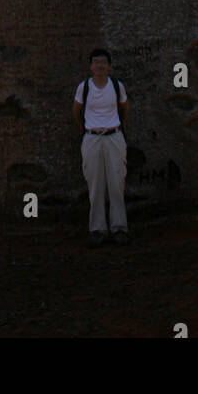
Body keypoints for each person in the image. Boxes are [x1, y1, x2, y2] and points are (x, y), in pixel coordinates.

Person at [73, 48, 129, 247]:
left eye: (103, 62)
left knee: (117, 182)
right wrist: (87, 130)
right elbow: (76, 111)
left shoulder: (116, 86)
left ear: (109, 66)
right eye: (96, 62)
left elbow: (125, 107)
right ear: (91, 66)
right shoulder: (84, 88)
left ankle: (119, 227)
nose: (100, 66)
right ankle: (97, 229)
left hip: (114, 136)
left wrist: (117, 125)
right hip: (92, 137)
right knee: (95, 185)